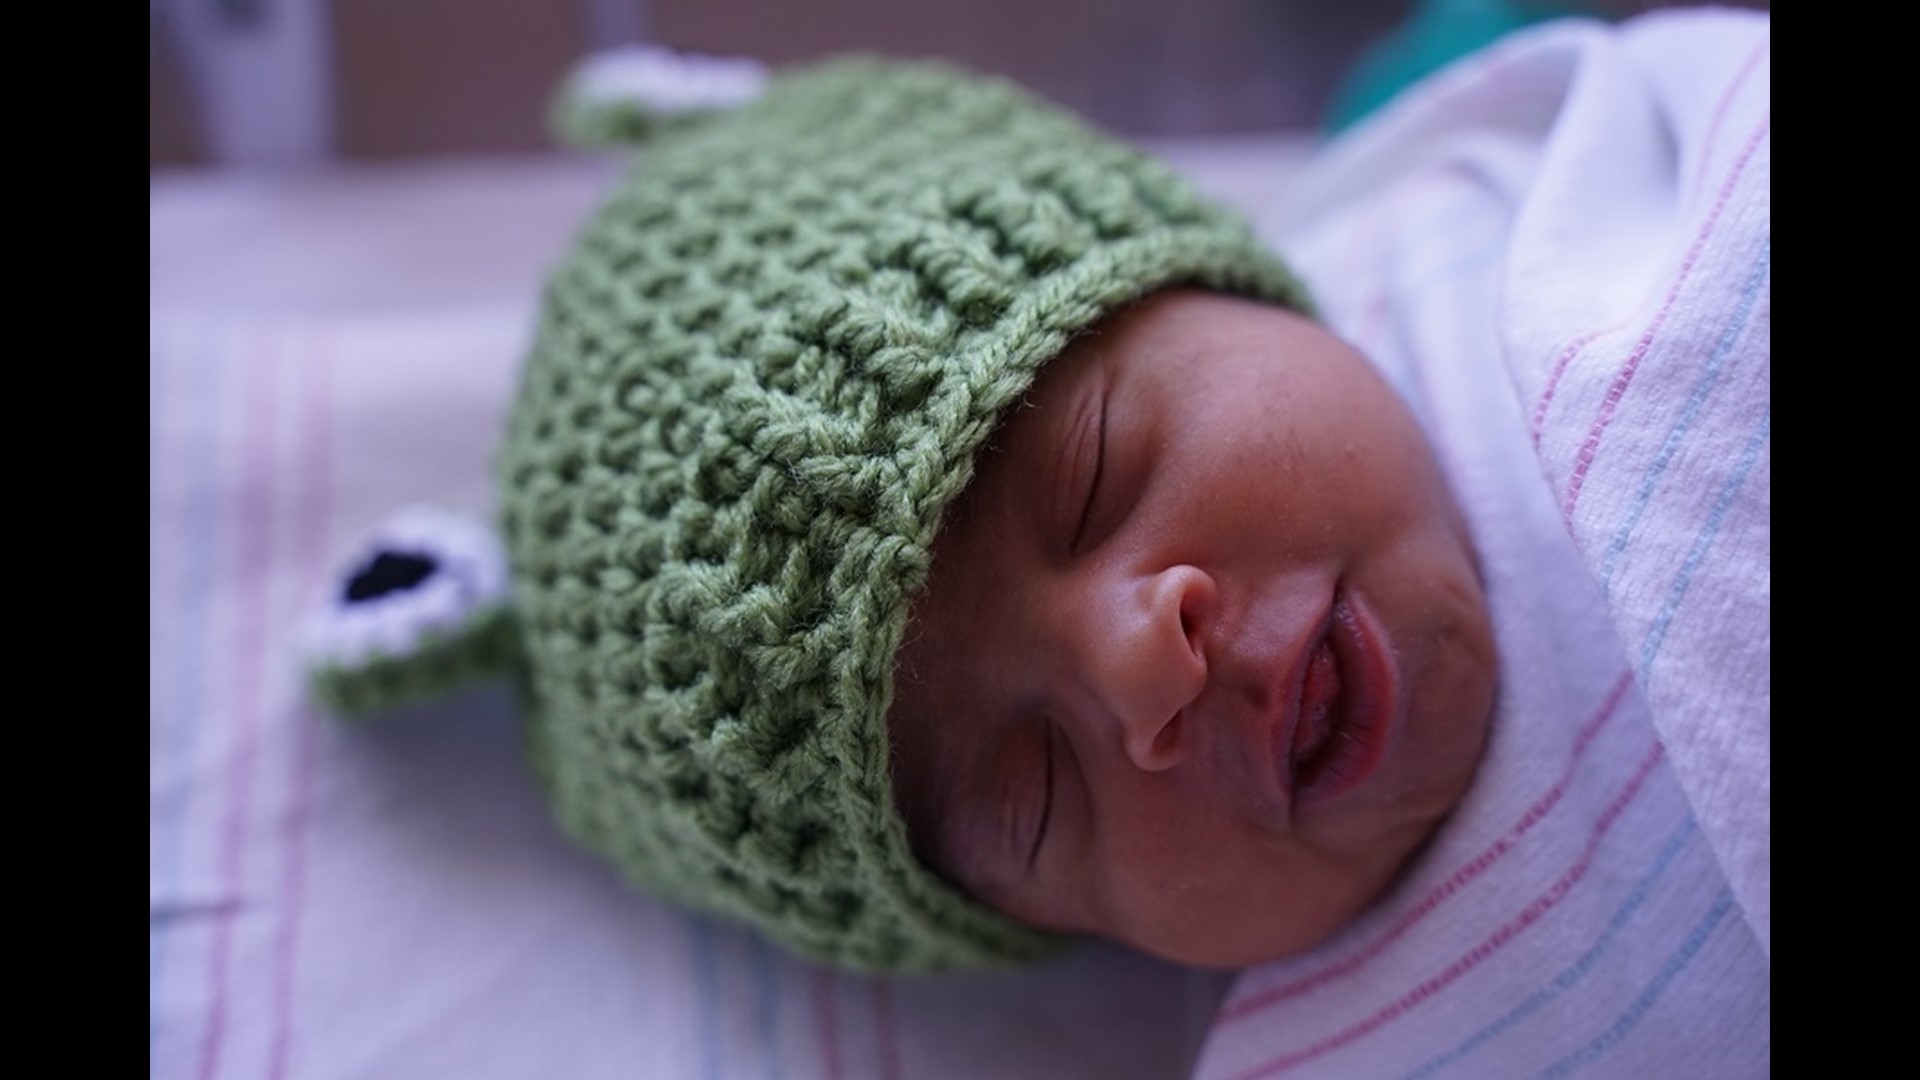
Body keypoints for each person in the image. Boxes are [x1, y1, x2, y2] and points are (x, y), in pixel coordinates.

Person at [308, 12, 1765, 1005]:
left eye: (1093, 475)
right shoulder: (1391, 1029)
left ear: (1200, 274)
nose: (1143, 667)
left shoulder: (1456, 190)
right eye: (1034, 795)